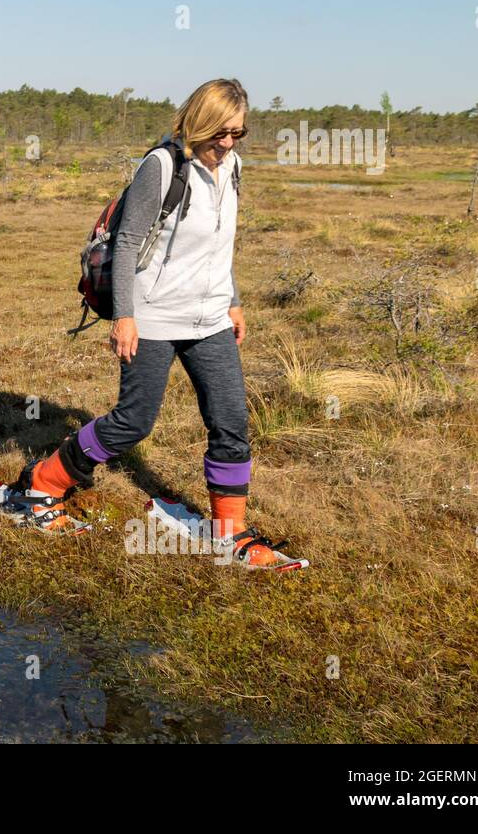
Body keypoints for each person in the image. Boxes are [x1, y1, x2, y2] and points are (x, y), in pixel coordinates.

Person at [15, 78, 286, 568]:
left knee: (231, 423)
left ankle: (231, 530)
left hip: (210, 319)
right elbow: (126, 246)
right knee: (132, 424)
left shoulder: (233, 168)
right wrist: (124, 317)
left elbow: (218, 245)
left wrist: (234, 300)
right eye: (219, 133)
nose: (226, 144)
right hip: (154, 316)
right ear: (197, 122)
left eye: (237, 134)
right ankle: (42, 484)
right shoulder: (161, 167)